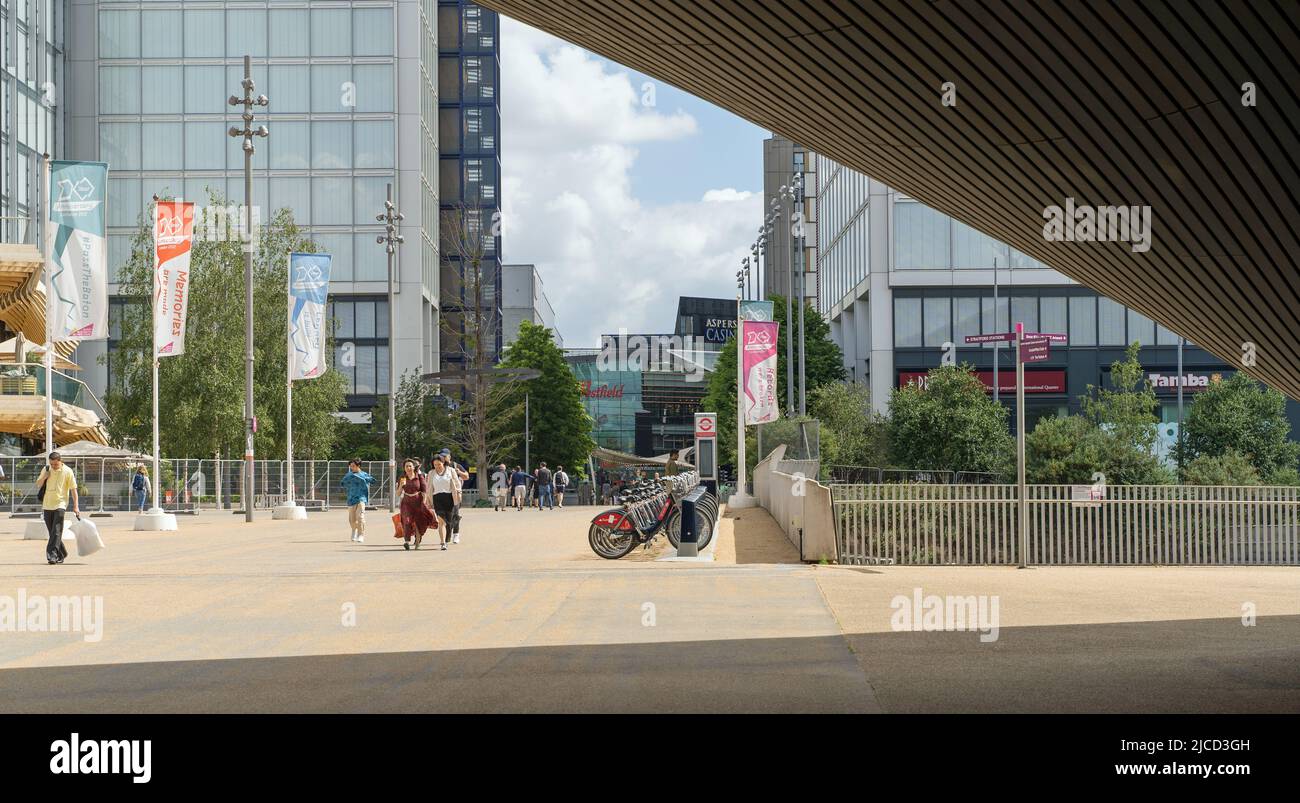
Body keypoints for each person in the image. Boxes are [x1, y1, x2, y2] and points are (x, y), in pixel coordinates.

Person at [37, 451, 78, 565]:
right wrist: (45, 477)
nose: (53, 467)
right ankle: (62, 553)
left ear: (61, 461)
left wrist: (76, 506)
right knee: (53, 532)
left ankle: (52, 556)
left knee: (56, 530)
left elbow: (73, 489)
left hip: (61, 504)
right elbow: (38, 484)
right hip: (47, 504)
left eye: (56, 464)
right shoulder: (46, 469)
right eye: (52, 464)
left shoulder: (68, 471)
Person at [397, 458, 434, 550]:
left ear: (413, 467)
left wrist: (424, 501)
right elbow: (398, 493)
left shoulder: (419, 477)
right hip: (406, 502)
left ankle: (417, 542)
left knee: (418, 522)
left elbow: (424, 490)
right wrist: (401, 485)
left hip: (418, 501)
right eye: (406, 466)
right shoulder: (402, 478)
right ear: (404, 468)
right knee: (407, 521)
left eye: (410, 466)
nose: (408, 468)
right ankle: (406, 541)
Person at [426, 455, 460, 551]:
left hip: (450, 498)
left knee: (449, 523)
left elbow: (457, 484)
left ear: (443, 463)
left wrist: (459, 494)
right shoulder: (431, 473)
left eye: (439, 464)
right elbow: (429, 487)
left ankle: (448, 537)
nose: (437, 466)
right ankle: (443, 542)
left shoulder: (451, 471)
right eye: (435, 465)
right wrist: (428, 499)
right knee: (441, 521)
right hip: (437, 498)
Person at [438, 448, 469, 543]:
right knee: (443, 516)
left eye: (444, 456)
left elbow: (466, 476)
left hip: (455, 495)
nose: (442, 458)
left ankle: (456, 534)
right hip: (443, 495)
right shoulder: (438, 466)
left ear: (449, 456)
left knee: (455, 515)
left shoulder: (456, 465)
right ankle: (446, 535)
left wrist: (458, 472)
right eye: (441, 456)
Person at [340, 459, 375, 543]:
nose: (352, 468)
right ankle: (354, 530)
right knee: (352, 519)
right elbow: (342, 483)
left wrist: (364, 479)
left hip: (361, 498)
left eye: (353, 466)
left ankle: (361, 535)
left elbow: (373, 480)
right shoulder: (349, 475)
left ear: (358, 466)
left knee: (360, 517)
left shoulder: (364, 474)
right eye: (350, 466)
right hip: (351, 499)